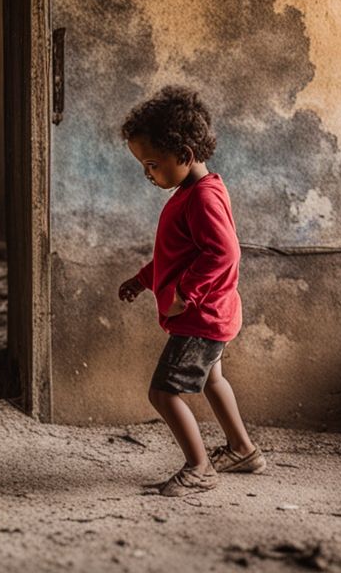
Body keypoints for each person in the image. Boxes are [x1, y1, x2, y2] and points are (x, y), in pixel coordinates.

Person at [117, 86, 264, 497]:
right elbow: (177, 255)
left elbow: (225, 252)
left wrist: (187, 292)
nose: (148, 174)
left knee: (163, 392)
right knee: (213, 380)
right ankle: (242, 449)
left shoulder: (201, 198)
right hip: (211, 314)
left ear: (183, 153)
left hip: (200, 317)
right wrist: (143, 280)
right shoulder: (191, 192)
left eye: (152, 164)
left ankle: (199, 468)